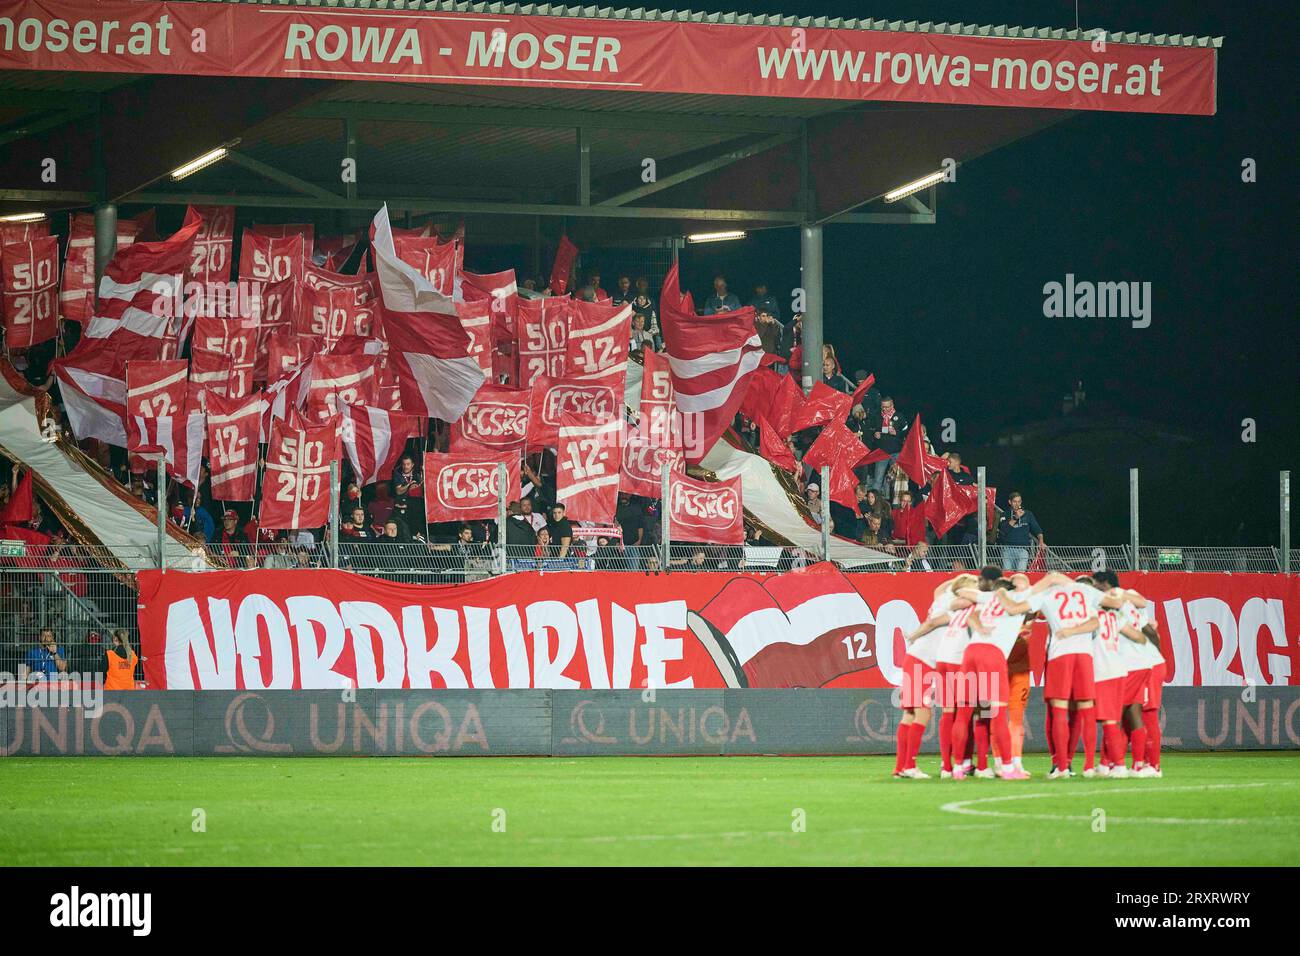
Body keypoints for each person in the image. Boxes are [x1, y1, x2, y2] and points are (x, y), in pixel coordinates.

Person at [950, 571, 1046, 780]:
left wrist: (979, 625)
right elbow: (1040, 592)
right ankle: (1008, 767)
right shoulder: (1019, 598)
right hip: (993, 655)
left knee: (964, 713)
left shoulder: (989, 597)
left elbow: (961, 592)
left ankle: (958, 768)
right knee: (998, 714)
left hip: (971, 651)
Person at [1026, 571, 1110, 779]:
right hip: (1082, 658)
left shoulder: (1056, 597)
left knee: (1063, 712)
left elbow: (1029, 610)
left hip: (1062, 657)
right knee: (1073, 712)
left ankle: (1064, 763)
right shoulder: (1088, 602)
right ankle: (1065, 762)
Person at [869, 397, 908, 493]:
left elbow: (906, 431)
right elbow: (871, 429)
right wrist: (875, 434)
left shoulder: (899, 416)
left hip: (896, 452)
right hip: (882, 452)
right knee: (878, 479)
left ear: (892, 405)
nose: (885, 409)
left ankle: (898, 503)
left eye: (887, 407)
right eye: (883, 407)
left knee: (898, 479)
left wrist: (897, 433)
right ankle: (875, 502)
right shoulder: (877, 416)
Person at [998, 492, 1044, 571]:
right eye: (1014, 501)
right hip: (1008, 549)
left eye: (1019, 501)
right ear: (1010, 502)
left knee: (1021, 573)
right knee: (1007, 574)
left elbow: (1037, 529)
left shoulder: (1028, 514)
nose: (1017, 504)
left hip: (1023, 549)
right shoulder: (1004, 514)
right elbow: (1003, 530)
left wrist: (1041, 541)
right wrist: (1016, 517)